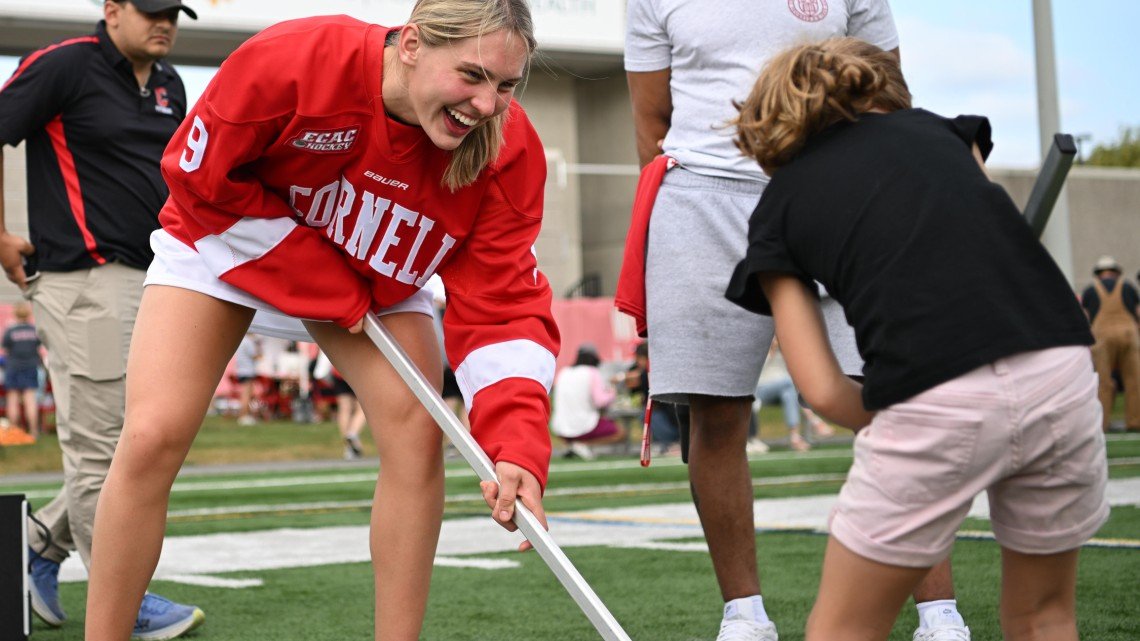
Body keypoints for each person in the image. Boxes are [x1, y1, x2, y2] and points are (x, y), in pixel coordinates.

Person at [84, 2, 559, 639]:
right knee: (151, 435)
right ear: (412, 44)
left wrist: (518, 443)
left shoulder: (507, 147)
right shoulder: (296, 59)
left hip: (372, 272)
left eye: (505, 85)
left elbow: (501, 299)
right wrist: (325, 284)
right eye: (471, 76)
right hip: (230, 236)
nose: (485, 103)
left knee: (419, 436)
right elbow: (202, 182)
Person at [725, 37, 1108, 641]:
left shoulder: (778, 207)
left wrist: (896, 425)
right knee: (1044, 619)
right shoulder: (945, 135)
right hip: (1060, 363)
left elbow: (823, 390)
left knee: (842, 630)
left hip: (931, 389)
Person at [624, 3, 967, 639]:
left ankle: (939, 614)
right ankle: (744, 617)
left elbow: (889, 89)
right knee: (716, 409)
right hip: (703, 195)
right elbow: (652, 121)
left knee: (893, 399)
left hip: (838, 188)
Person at [0, 1, 206, 637]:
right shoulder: (62, 66)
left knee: (142, 440)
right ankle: (121, 597)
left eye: (172, 11)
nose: (163, 22)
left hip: (160, 280)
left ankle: (36, 543)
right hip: (84, 280)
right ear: (112, 10)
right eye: (150, 10)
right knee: (104, 451)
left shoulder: (171, 83)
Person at [1080, 255, 1140, 431]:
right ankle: (1135, 421)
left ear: (1099, 273)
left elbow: (1085, 317)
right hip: (1129, 335)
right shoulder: (1128, 287)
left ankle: (1102, 423)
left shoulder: (1090, 290)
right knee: (1134, 380)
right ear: (1116, 272)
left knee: (1104, 382)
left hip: (1102, 339)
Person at [551, 343, 626, 460]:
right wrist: (613, 391)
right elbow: (600, 401)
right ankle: (582, 446)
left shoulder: (564, 372)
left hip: (560, 428)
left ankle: (572, 446)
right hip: (584, 426)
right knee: (620, 433)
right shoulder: (592, 372)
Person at [2, 302, 42, 438]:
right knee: (30, 400)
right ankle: (34, 431)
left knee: (12, 400)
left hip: (13, 367)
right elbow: (38, 347)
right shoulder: (34, 330)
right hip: (31, 366)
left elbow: (6, 349)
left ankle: (13, 432)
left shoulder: (10, 330)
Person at [233, 332, 262, 425]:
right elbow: (255, 356)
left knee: (245, 394)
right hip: (247, 371)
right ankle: (243, 416)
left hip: (241, 370)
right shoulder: (248, 342)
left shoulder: (241, 341)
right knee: (246, 395)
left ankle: (244, 415)